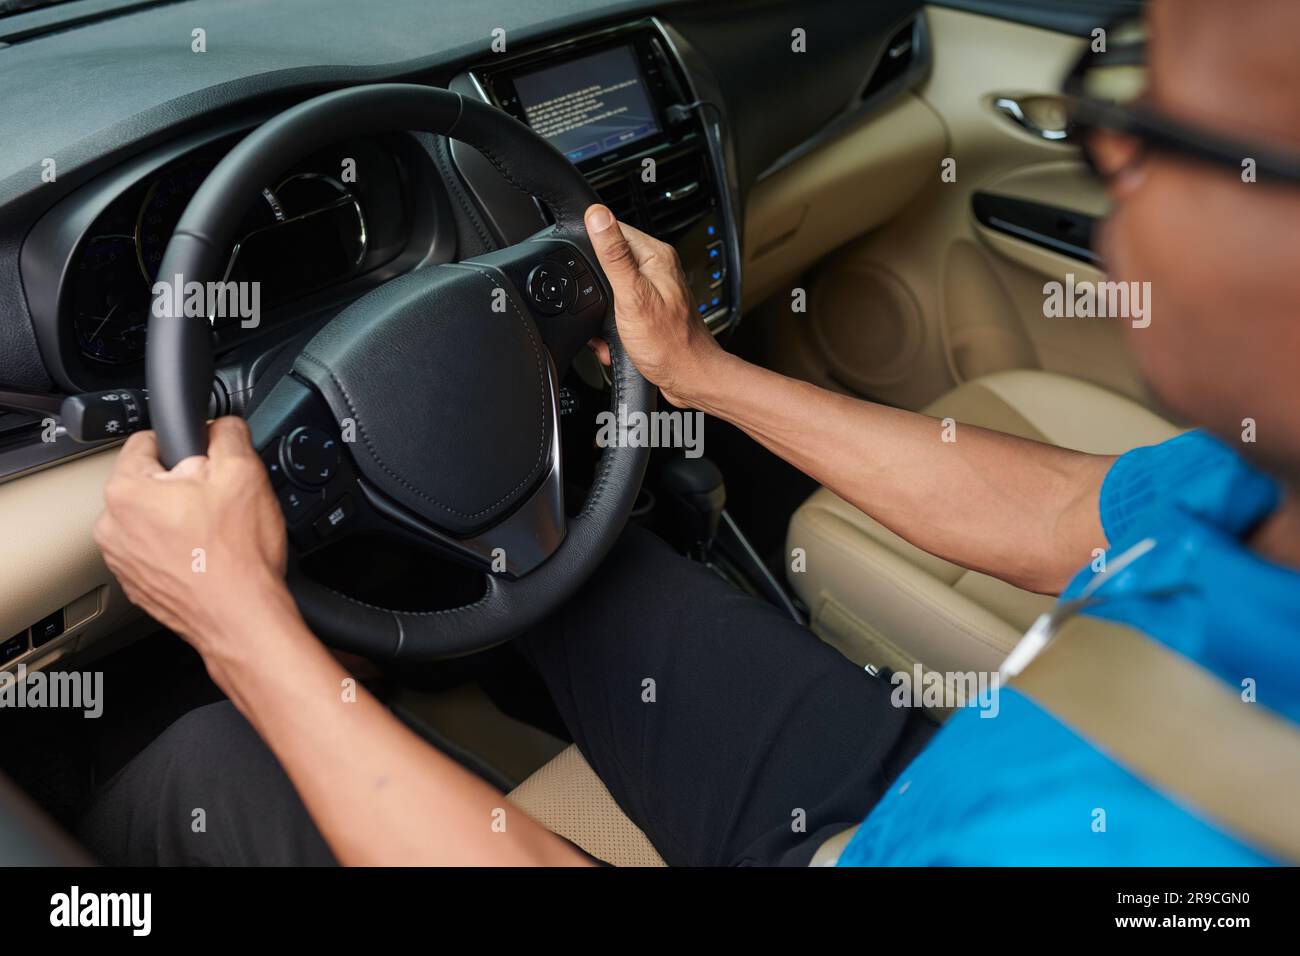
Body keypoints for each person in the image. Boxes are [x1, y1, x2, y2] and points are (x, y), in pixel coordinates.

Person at [83, 0, 1299, 866]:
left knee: (192, 764)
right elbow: (1057, 516)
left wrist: (239, 622)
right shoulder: (1265, 491)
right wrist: (701, 374)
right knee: (569, 567)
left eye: (1155, 124)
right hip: (944, 783)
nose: (1115, 155)